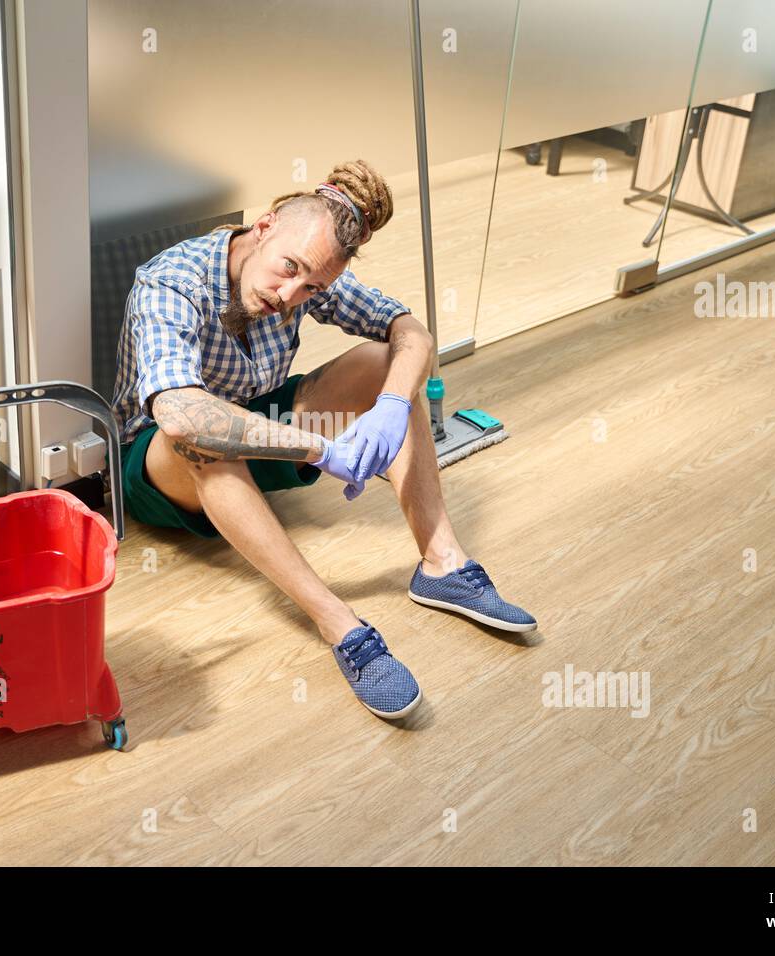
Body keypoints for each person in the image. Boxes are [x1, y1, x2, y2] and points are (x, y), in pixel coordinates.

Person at [111, 159, 536, 719]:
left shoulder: (312, 272)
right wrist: (322, 449)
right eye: (287, 269)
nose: (289, 294)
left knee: (386, 361)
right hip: (159, 462)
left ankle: (442, 565)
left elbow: (412, 334)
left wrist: (389, 406)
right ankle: (341, 625)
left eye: (311, 285)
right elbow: (182, 414)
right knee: (204, 436)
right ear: (264, 227)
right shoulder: (171, 281)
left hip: (258, 427)